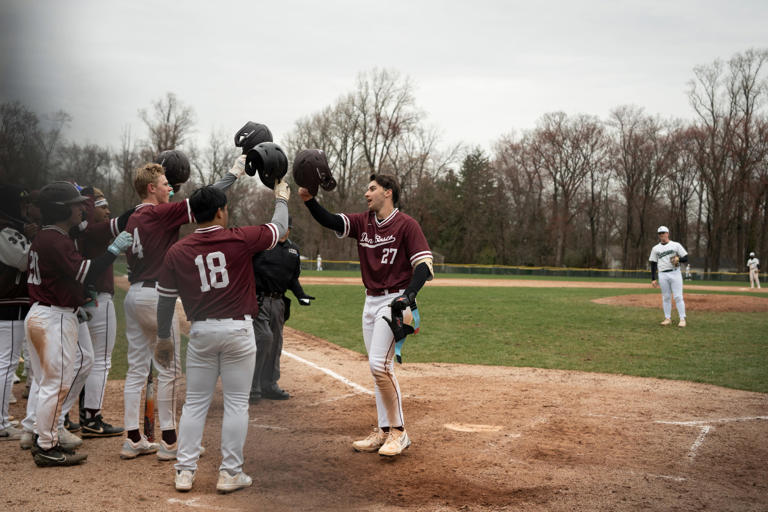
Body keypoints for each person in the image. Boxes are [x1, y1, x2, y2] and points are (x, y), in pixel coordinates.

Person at [155, 182, 289, 493]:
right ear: (219, 211)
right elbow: (279, 228)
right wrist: (281, 197)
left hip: (201, 331)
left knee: (195, 405)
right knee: (237, 404)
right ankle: (230, 472)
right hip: (238, 331)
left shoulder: (177, 250)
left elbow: (164, 301)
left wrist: (163, 338)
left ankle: (184, 472)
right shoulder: (239, 239)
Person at [299, 173, 433, 457]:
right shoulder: (364, 222)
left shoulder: (407, 225)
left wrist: (408, 295)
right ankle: (384, 431)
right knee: (378, 370)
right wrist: (310, 201)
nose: (366, 193)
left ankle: (400, 432)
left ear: (388, 192)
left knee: (379, 366)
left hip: (395, 300)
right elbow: (331, 220)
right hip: (370, 301)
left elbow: (423, 266)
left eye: (372, 189)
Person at [121, 156, 245, 461]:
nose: (170, 190)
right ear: (151, 188)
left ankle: (133, 438)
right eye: (165, 185)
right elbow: (206, 199)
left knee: (137, 369)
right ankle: (170, 441)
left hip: (133, 296)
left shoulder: (133, 218)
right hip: (154, 298)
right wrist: (233, 173)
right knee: (170, 370)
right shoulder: (158, 214)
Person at [24, 181, 133, 466]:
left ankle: (45, 435)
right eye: (74, 205)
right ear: (61, 210)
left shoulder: (50, 236)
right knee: (54, 383)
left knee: (56, 379)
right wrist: (113, 250)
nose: (80, 209)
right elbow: (87, 271)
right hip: (53, 315)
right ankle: (46, 444)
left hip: (48, 312)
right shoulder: (54, 240)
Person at [74, 187, 134, 437]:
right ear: (89, 208)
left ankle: (79, 415)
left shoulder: (78, 230)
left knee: (84, 359)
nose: (108, 210)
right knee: (101, 360)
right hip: (98, 300)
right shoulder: (92, 230)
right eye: (102, 205)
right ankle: (92, 417)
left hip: (83, 300)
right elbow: (125, 219)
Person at [249, 216, 315, 403]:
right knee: (263, 339)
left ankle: (269, 385)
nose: (283, 230)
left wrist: (300, 294)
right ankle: (251, 386)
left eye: (286, 227)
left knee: (275, 343)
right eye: (279, 226)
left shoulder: (293, 250)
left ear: (290, 229)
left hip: (278, 303)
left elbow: (293, 279)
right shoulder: (261, 245)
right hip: (258, 299)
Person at [0, 185, 32, 441]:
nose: (25, 210)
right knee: (6, 364)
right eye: (20, 205)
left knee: (6, 363)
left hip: (12, 304)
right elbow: (25, 261)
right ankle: (0, 423)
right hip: (9, 304)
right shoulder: (4, 232)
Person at [649, 225, 688, 327]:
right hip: (662, 274)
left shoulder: (676, 245)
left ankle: (682, 319)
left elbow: (686, 258)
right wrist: (653, 278)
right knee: (666, 297)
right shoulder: (655, 248)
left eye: (664, 233)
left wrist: (678, 259)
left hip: (675, 272)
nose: (662, 235)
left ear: (668, 233)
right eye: (660, 234)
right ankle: (667, 318)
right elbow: (653, 264)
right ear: (659, 235)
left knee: (678, 296)